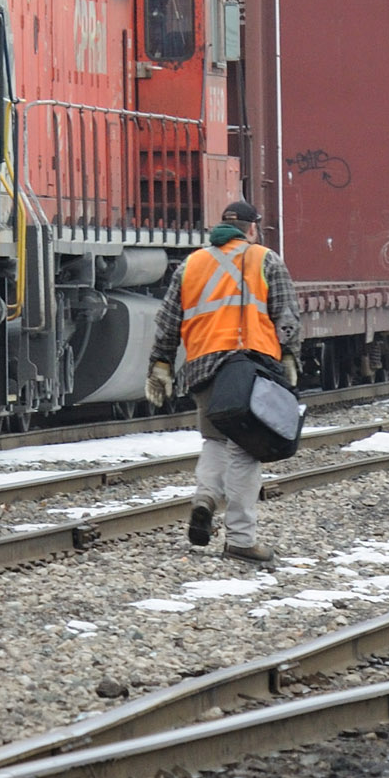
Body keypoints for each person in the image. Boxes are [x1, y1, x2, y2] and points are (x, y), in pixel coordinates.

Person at [147, 199, 300, 568]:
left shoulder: (191, 264)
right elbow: (286, 314)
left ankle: (205, 499)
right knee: (246, 451)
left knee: (215, 439)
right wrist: (290, 356)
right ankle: (242, 540)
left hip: (203, 370)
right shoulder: (265, 259)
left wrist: (161, 365)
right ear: (251, 228)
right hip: (251, 367)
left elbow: (168, 320)